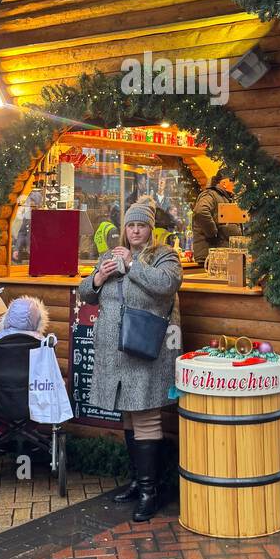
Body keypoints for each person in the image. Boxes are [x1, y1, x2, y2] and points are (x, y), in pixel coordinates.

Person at [78, 196, 182, 521]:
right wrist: (97, 278)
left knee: (146, 415)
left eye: (141, 226)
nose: (135, 231)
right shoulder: (110, 256)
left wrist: (134, 266)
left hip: (145, 349)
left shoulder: (165, 256)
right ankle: (137, 482)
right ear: (124, 228)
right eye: (131, 225)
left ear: (151, 230)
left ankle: (152, 492)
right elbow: (85, 293)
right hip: (114, 350)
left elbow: (166, 285)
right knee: (127, 414)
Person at [192, 170, 243, 265]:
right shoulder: (210, 194)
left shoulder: (225, 198)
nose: (236, 185)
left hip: (219, 256)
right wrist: (212, 233)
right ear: (224, 183)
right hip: (211, 257)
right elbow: (200, 211)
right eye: (234, 182)